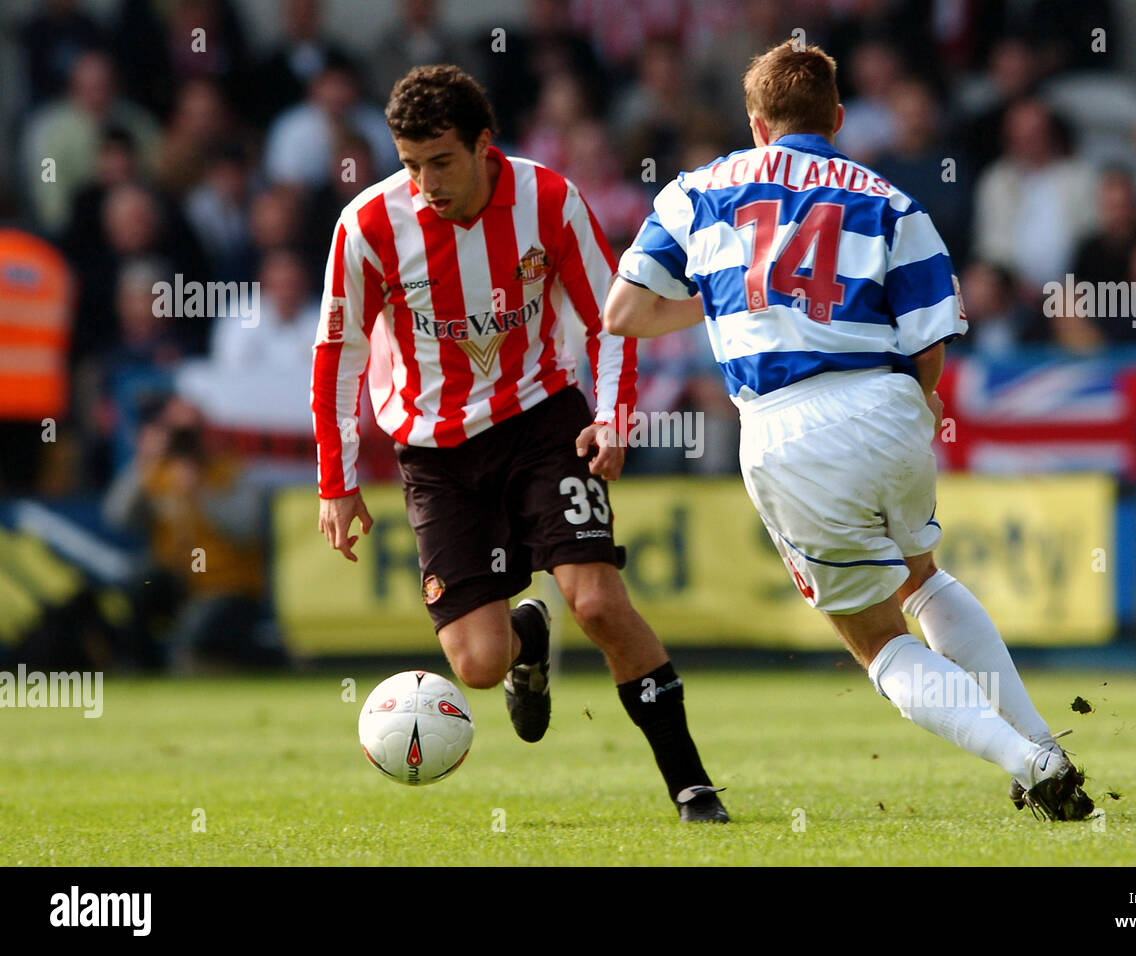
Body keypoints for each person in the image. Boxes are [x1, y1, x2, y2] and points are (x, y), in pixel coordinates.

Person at [606, 40, 1094, 821]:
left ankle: (1027, 759)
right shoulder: (891, 200)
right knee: (922, 575)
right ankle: (1045, 741)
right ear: (836, 118)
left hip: (786, 426)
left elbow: (623, 313)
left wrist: (733, 295)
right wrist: (923, 398)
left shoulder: (697, 189)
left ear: (756, 123)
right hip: (888, 403)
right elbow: (930, 334)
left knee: (873, 637)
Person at [310, 66, 727, 823]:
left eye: (441, 161)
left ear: (483, 146)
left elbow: (610, 317)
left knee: (598, 603)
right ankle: (525, 635)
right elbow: (338, 353)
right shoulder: (367, 226)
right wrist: (335, 483)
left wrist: (611, 414)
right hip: (436, 455)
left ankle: (691, 784)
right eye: (410, 164)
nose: (426, 182)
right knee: (477, 664)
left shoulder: (549, 200)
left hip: (541, 422)